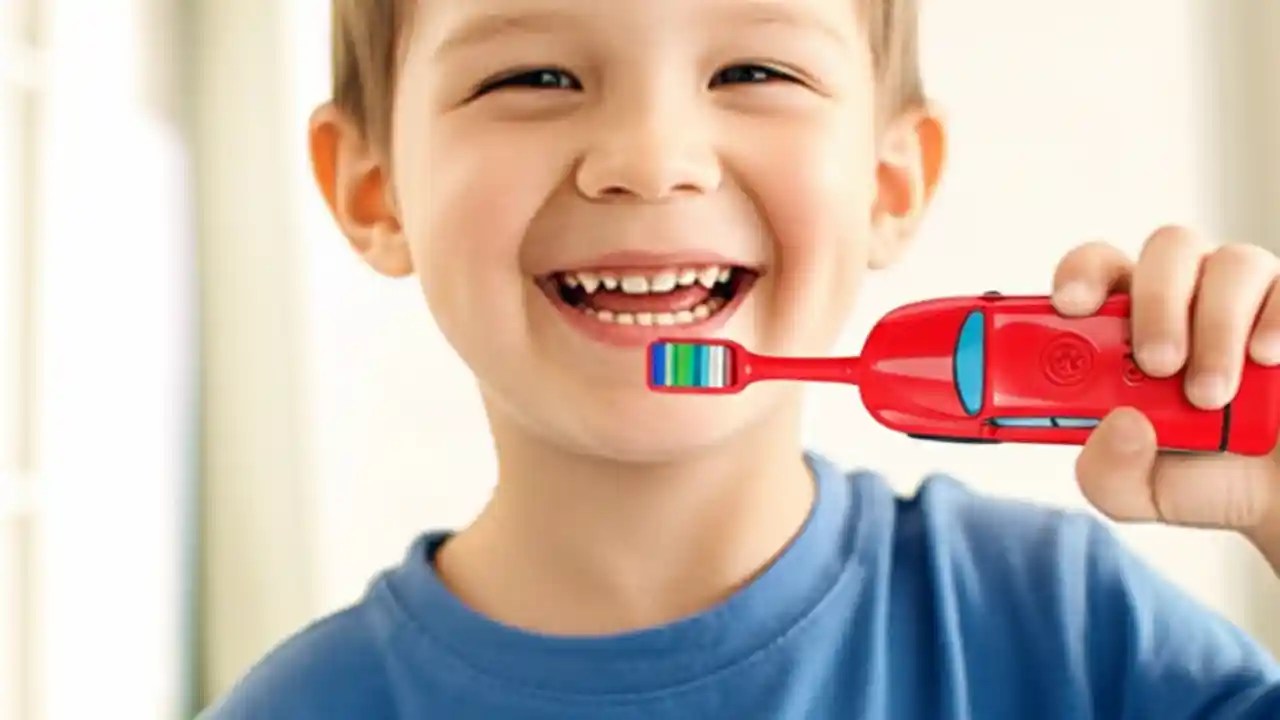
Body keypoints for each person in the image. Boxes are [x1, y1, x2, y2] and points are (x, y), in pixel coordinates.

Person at [201, 0, 1280, 716]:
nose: (648, 161)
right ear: (372, 189)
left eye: (752, 68)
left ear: (888, 183)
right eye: (532, 75)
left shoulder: (1066, 632)